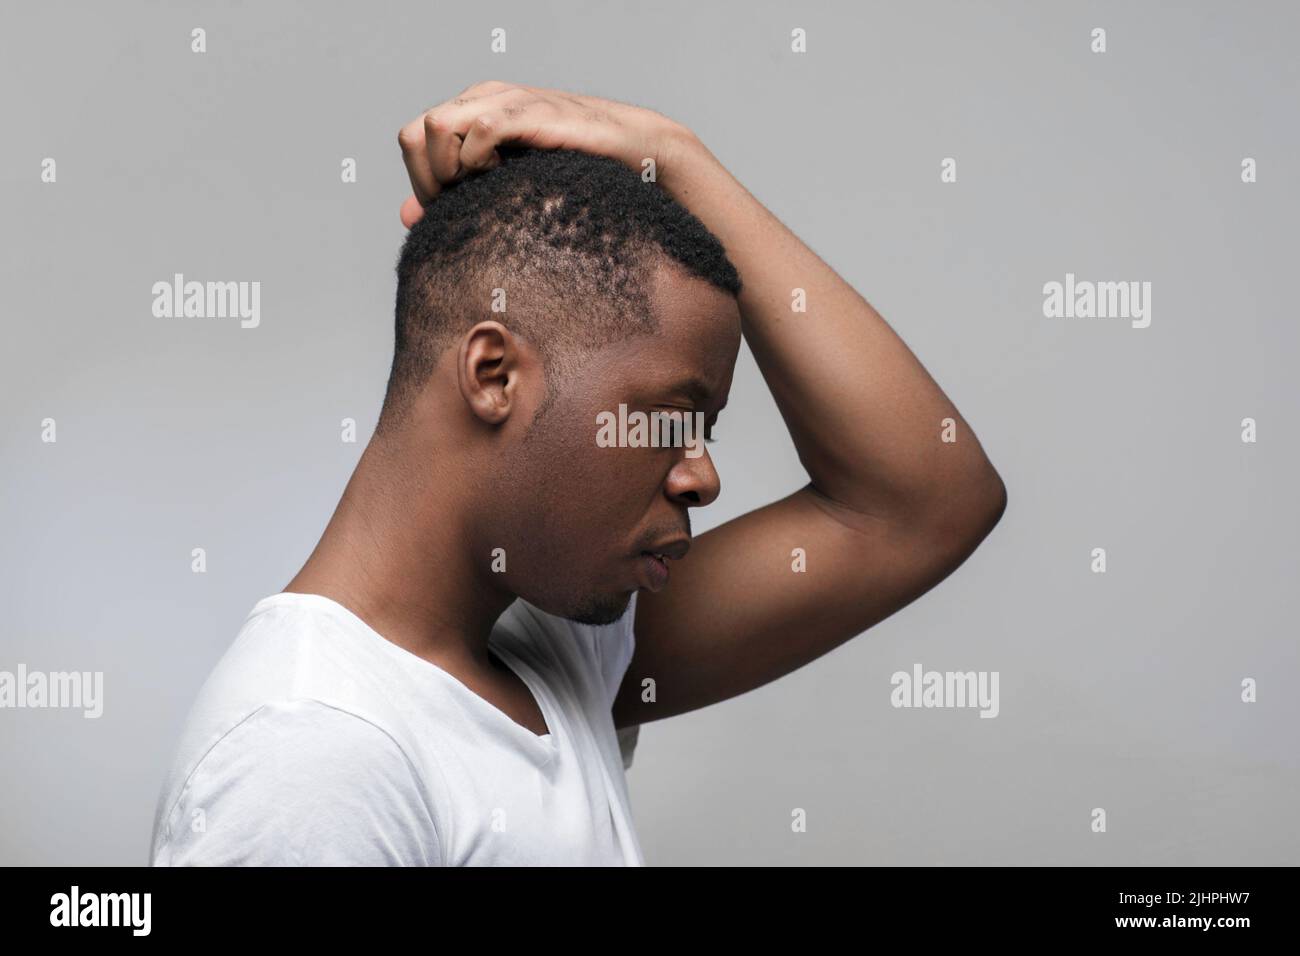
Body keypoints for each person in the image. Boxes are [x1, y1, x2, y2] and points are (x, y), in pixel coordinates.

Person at [150, 81, 1007, 866]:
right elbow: (911, 509)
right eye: (668, 418)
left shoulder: (552, 654)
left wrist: (674, 154)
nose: (701, 478)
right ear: (494, 376)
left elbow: (923, 501)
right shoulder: (316, 755)